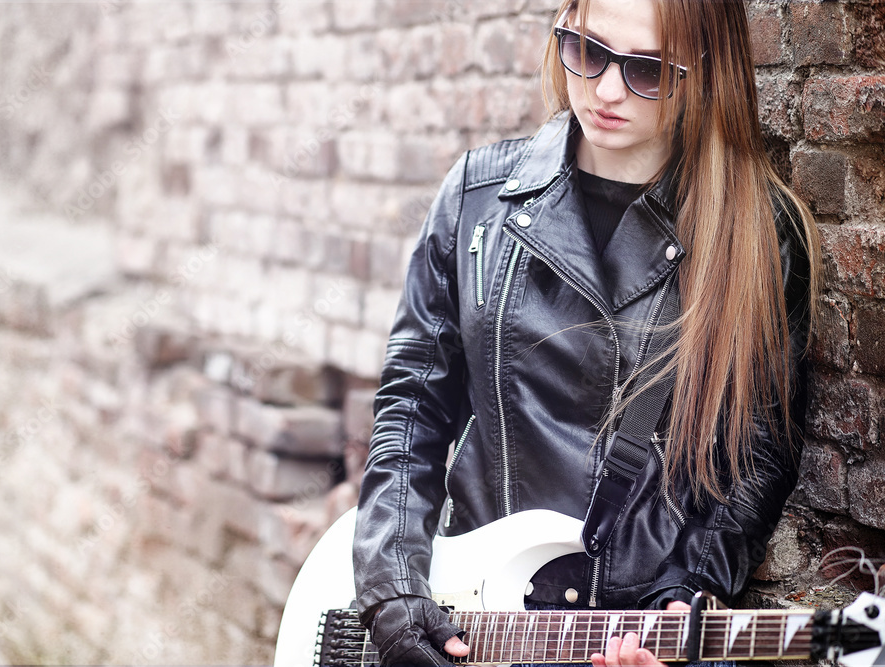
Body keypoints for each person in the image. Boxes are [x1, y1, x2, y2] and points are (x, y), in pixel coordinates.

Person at [352, 0, 821, 665]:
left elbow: (757, 457)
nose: (605, 90)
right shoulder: (475, 199)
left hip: (628, 634)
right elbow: (412, 408)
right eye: (588, 51)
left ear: (706, 74)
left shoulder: (760, 236)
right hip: (471, 618)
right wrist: (393, 582)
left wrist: (685, 595)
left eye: (648, 70)